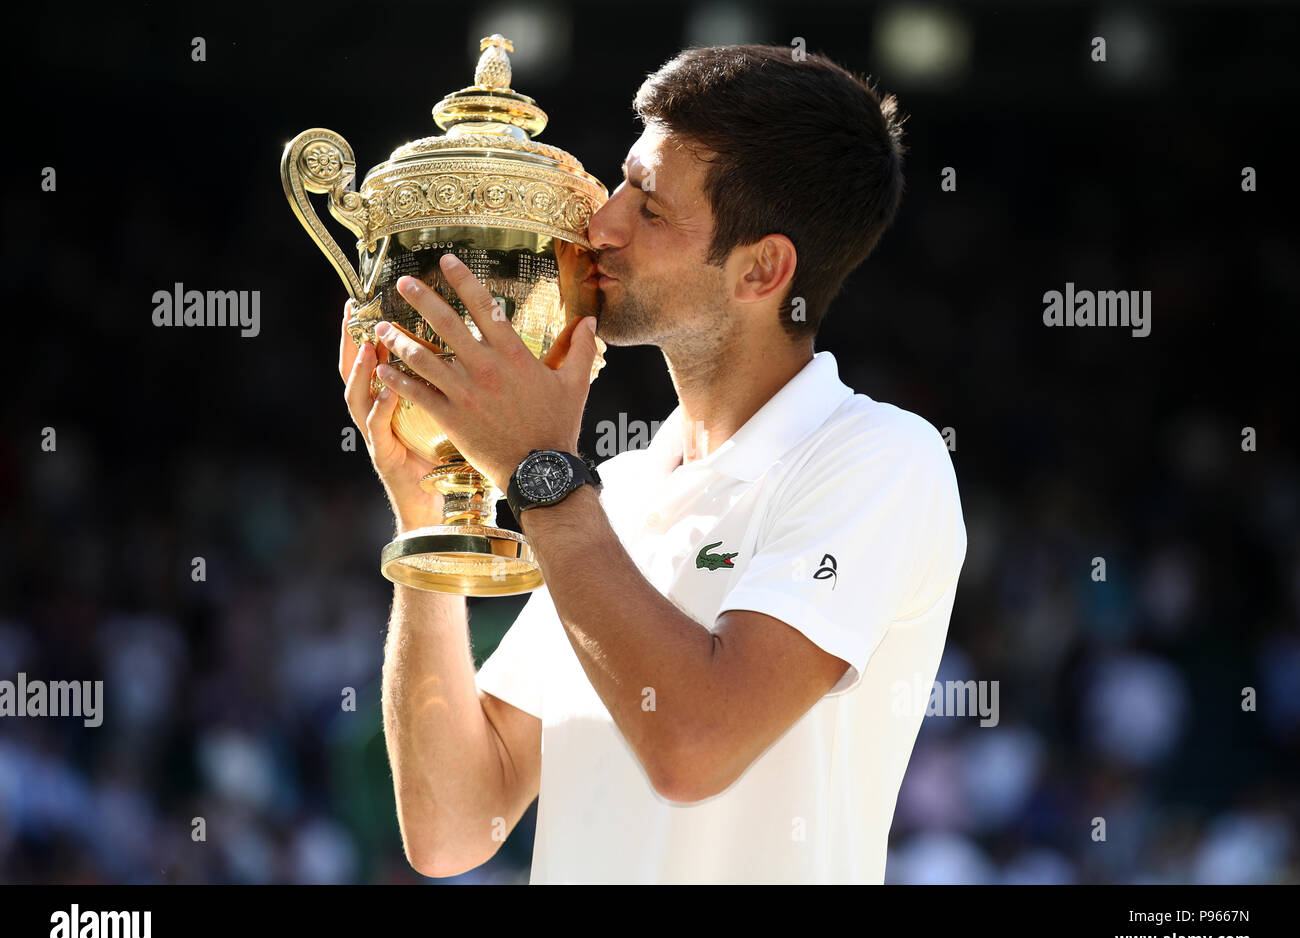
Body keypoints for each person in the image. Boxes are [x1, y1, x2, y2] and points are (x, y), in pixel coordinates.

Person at [339, 43, 966, 883]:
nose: (602, 224)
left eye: (653, 209)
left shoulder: (883, 460)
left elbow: (693, 747)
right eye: (624, 180)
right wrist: (425, 522)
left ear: (763, 270)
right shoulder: (616, 492)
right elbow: (454, 825)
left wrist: (540, 470)